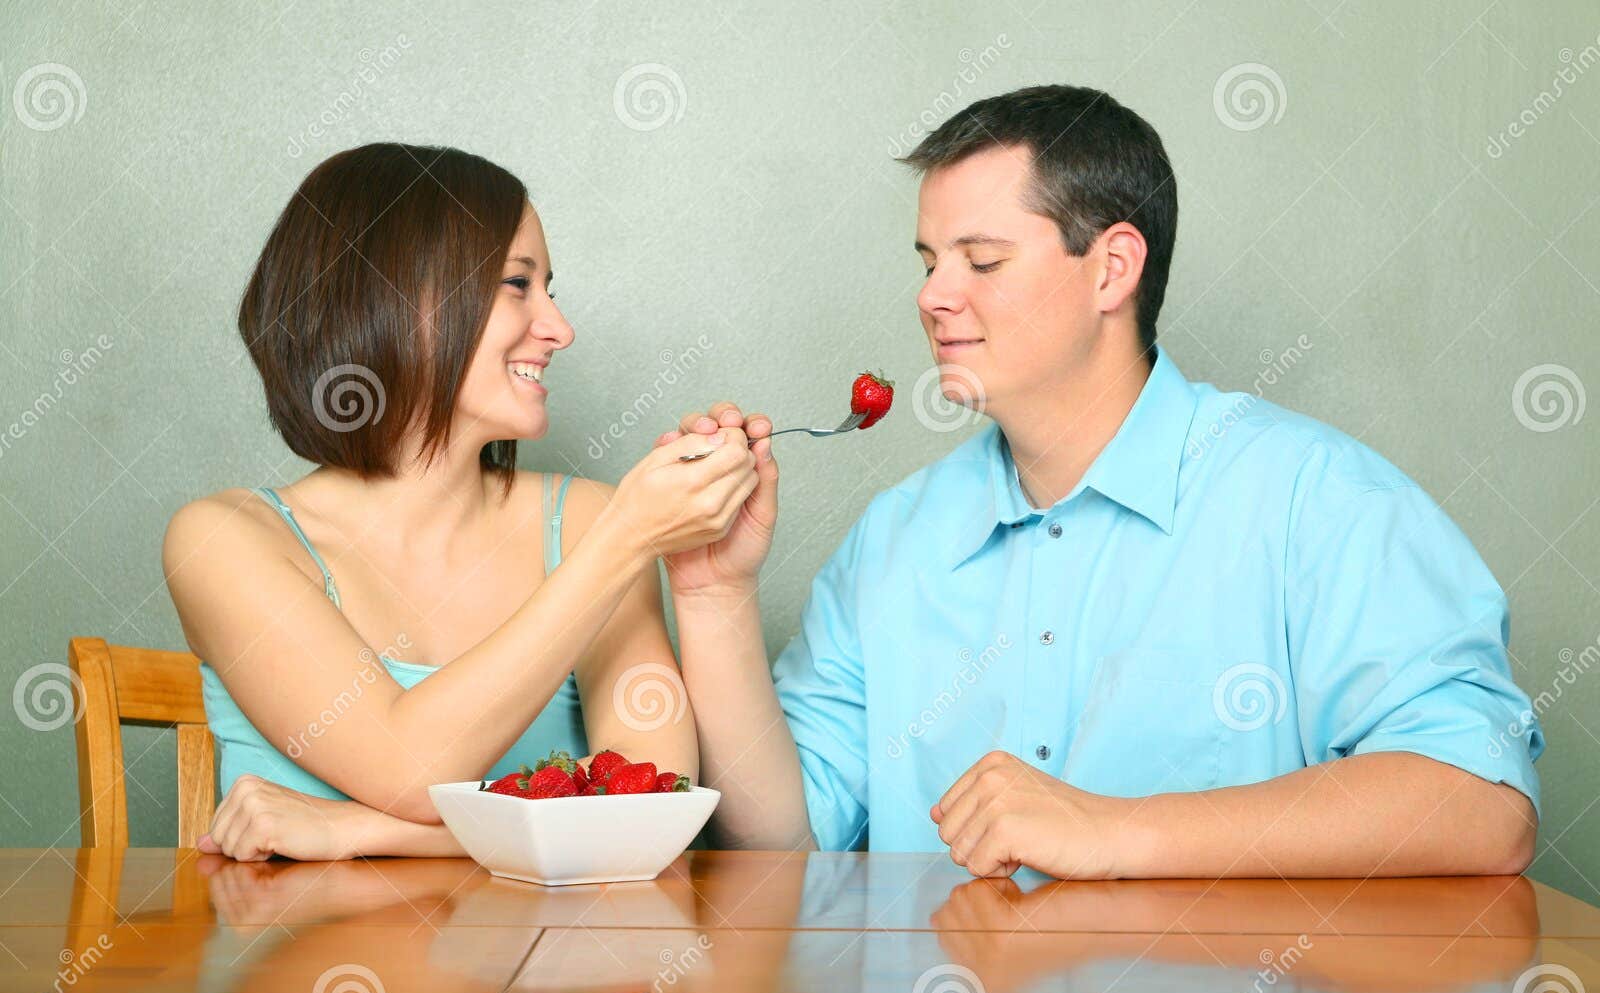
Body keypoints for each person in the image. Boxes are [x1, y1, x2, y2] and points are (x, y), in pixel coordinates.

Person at [659, 85, 1542, 880]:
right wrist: (713, 594)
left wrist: (1113, 830)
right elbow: (785, 846)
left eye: (982, 260)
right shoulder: (891, 540)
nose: (932, 296)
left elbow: (1482, 802)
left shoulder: (1320, 500)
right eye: (930, 262)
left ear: (1114, 267)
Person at [163, 143, 759, 861]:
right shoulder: (224, 541)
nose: (560, 329)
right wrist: (628, 538)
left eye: (549, 288)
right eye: (517, 284)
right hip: (304, 937)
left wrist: (357, 829)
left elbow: (650, 802)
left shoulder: (588, 522)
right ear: (392, 295)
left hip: (542, 939)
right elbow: (407, 765)